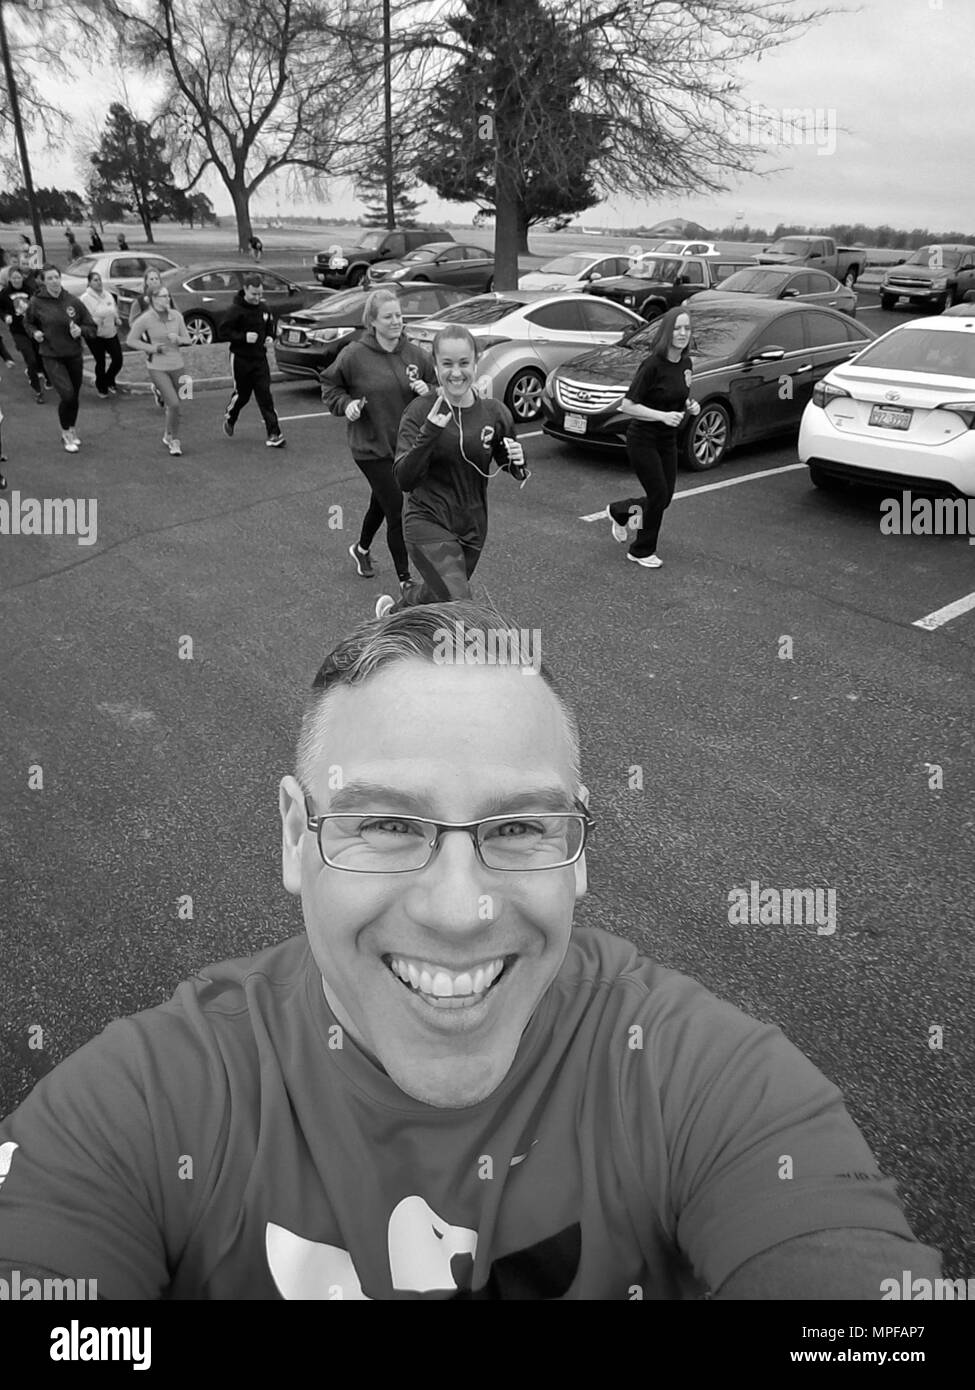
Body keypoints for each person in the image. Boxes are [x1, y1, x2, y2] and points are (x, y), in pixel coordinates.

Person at [0, 597, 944, 1299]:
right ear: (295, 837)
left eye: (520, 830)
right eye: (383, 824)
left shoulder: (707, 1081)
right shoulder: (140, 1107)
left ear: (579, 852)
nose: (458, 911)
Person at [380, 326, 528, 618]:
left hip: (472, 526)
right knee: (459, 604)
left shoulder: (495, 412)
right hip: (426, 522)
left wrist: (518, 462)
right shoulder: (420, 411)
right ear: (435, 366)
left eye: (463, 363)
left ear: (476, 362)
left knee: (437, 593)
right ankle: (461, 661)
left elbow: (509, 463)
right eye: (447, 364)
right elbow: (404, 479)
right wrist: (431, 431)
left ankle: (398, 610)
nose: (456, 373)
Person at [320, 288, 436, 595]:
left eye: (399, 315)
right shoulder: (355, 355)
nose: (397, 321)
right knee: (397, 507)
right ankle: (405, 578)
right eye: (389, 317)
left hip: (405, 447)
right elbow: (330, 385)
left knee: (382, 501)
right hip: (370, 446)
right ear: (373, 322)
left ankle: (361, 548)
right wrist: (347, 405)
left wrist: (429, 389)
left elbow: (438, 385)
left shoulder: (416, 355)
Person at [605, 305, 701, 570]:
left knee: (664, 498)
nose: (682, 333)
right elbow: (627, 405)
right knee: (658, 494)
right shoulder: (652, 365)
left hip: (667, 440)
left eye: (687, 328)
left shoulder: (686, 364)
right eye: (677, 328)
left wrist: (691, 406)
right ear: (667, 332)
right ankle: (641, 550)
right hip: (642, 439)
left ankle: (620, 511)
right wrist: (661, 416)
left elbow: (678, 396)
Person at [23, 265, 97, 453]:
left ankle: (72, 428)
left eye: (56, 277)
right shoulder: (37, 302)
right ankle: (66, 433)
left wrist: (81, 330)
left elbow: (91, 326)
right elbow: (28, 322)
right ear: (44, 281)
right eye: (50, 278)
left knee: (74, 396)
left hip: (73, 354)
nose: (54, 281)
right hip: (51, 355)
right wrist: (35, 333)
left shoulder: (73, 301)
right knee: (67, 394)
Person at [220, 272, 285, 447]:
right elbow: (223, 332)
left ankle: (274, 433)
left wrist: (270, 336)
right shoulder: (235, 310)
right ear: (245, 290)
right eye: (253, 294)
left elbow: (269, 325)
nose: (257, 298)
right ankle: (230, 416)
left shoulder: (264, 309)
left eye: (260, 294)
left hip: (259, 359)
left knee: (265, 396)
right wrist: (242, 337)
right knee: (243, 395)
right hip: (241, 359)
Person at [127, 286, 192, 456]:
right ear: (153, 299)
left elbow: (188, 339)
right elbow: (131, 340)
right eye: (163, 296)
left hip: (178, 364)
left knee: (183, 398)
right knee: (174, 403)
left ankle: (167, 433)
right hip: (157, 366)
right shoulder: (145, 319)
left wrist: (178, 339)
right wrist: (153, 348)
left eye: (168, 296)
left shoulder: (176, 316)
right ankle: (175, 440)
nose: (167, 299)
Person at [0, 265, 46, 402]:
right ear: (10, 279)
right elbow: (0, 309)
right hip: (18, 331)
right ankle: (38, 390)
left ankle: (44, 375)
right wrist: (5, 316)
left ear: (22, 278)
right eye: (13, 277)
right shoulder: (4, 293)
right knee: (30, 359)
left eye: (18, 277)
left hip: (32, 329)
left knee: (40, 356)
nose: (16, 280)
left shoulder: (30, 290)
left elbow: (38, 307)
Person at [128, 268, 168, 410]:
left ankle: (159, 389)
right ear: (145, 282)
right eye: (151, 279)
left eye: (156, 278)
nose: (154, 281)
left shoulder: (165, 296)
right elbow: (132, 321)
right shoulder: (140, 301)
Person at [80, 269, 123, 398]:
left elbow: (113, 309)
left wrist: (117, 318)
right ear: (89, 283)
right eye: (95, 280)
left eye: (99, 280)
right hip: (95, 335)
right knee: (101, 361)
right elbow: (84, 318)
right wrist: (96, 320)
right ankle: (102, 387)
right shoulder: (85, 298)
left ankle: (109, 379)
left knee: (118, 359)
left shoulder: (108, 295)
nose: (99, 283)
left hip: (110, 331)